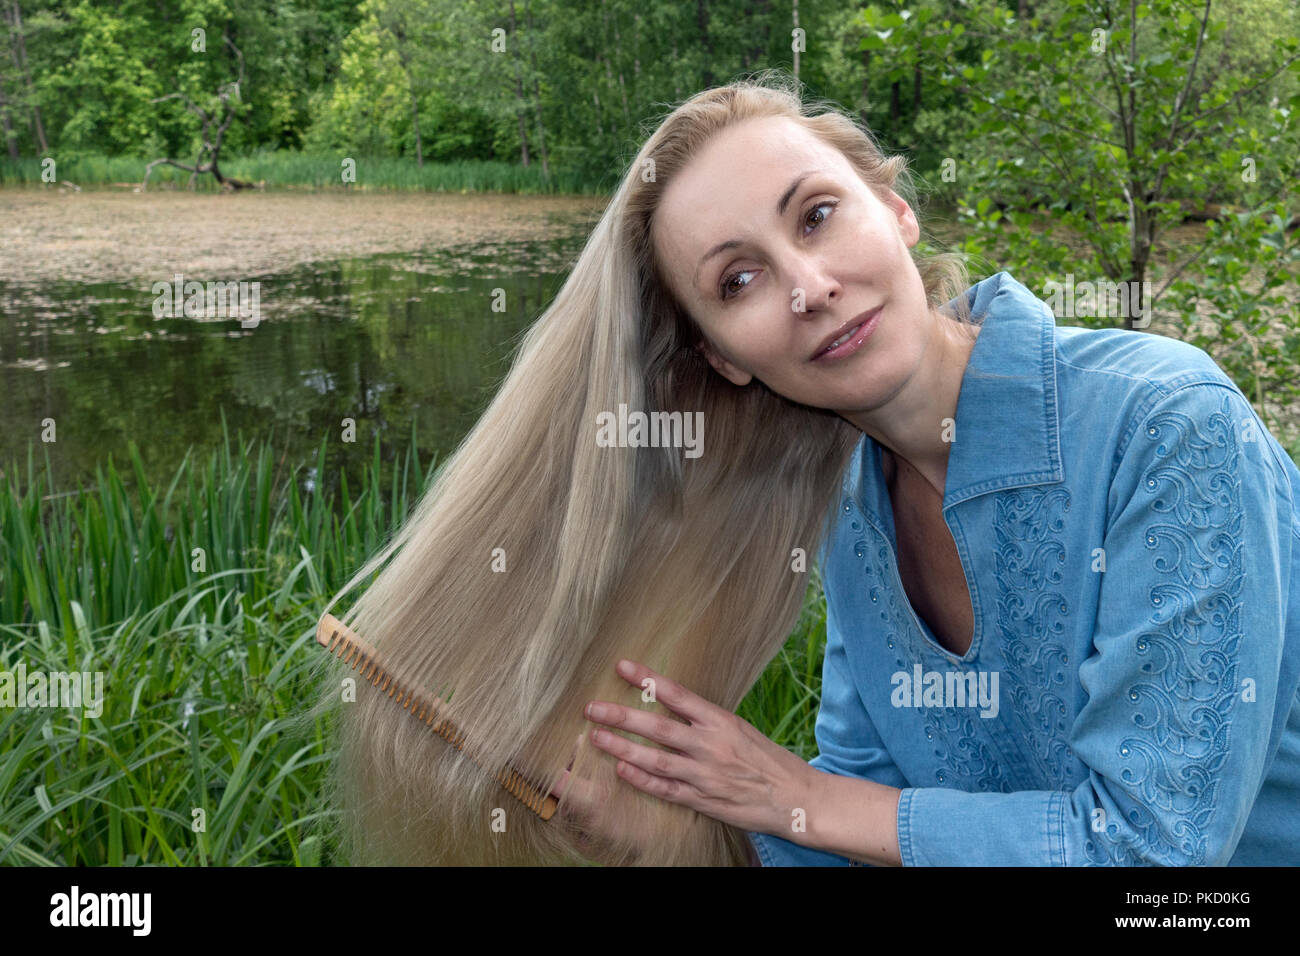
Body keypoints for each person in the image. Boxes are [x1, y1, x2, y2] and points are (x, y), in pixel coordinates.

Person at [319, 70, 1300, 866]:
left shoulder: (1165, 426)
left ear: (898, 208)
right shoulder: (850, 512)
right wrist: (673, 839)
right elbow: (857, 828)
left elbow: (1155, 854)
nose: (809, 285)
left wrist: (801, 797)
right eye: (736, 280)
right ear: (724, 356)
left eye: (818, 214)